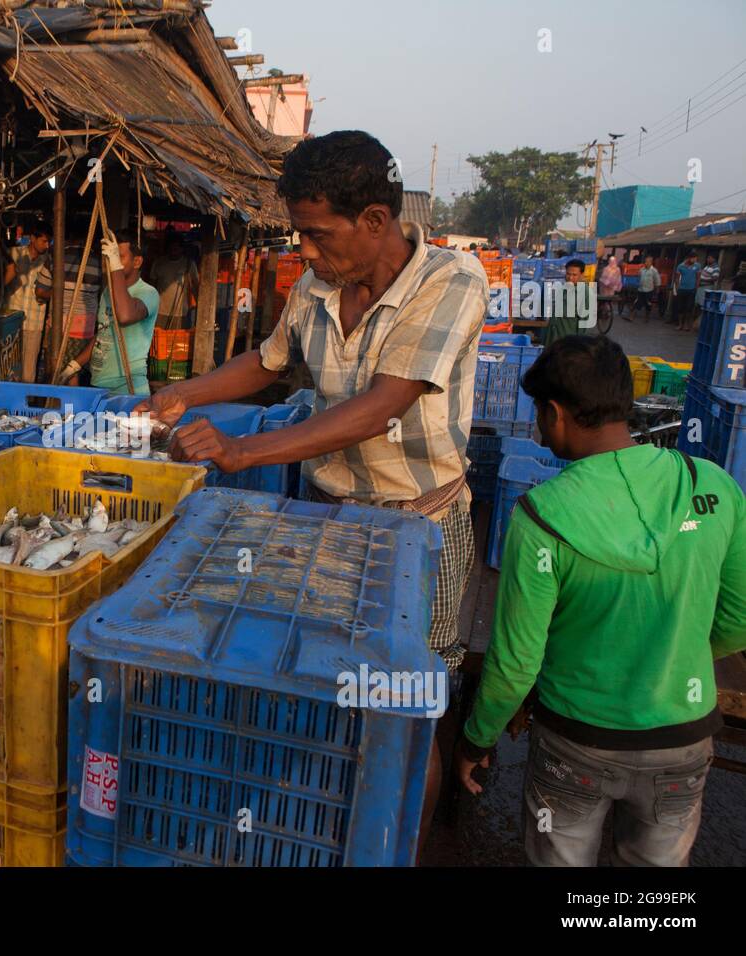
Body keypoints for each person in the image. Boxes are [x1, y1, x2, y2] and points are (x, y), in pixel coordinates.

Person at [136, 130, 489, 846]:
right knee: (321, 683)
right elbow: (267, 365)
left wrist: (243, 449)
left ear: (375, 221)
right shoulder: (314, 287)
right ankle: (321, 831)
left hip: (419, 525)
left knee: (410, 705)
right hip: (327, 517)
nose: (306, 249)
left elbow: (381, 406)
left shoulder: (452, 281)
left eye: (317, 234)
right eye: (300, 232)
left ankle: (397, 846)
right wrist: (174, 398)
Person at [457, 336, 746, 866]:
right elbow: (739, 618)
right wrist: (677, 651)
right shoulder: (713, 485)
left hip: (576, 743)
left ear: (555, 412)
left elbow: (518, 662)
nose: (542, 430)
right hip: (682, 741)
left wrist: (477, 739)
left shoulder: (542, 514)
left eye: (541, 416)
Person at [57, 229, 159, 396]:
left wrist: (115, 263)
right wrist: (75, 365)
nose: (112, 262)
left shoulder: (148, 293)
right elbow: (104, 331)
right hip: (99, 384)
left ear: (137, 261)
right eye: (111, 256)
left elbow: (125, 316)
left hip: (128, 386)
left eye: (120, 256)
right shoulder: (107, 292)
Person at [36, 233, 103, 384]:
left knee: (57, 371)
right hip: (86, 326)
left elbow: (40, 292)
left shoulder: (56, 258)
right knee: (74, 371)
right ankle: (71, 407)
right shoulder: (99, 261)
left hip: (60, 324)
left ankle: (64, 407)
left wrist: (58, 291)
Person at [3, 222, 52, 382]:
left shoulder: (49, 262)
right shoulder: (14, 255)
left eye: (48, 242)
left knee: (28, 372)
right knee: (8, 368)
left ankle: (25, 404)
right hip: (11, 322)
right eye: (43, 241)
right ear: (32, 238)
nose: (46, 245)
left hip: (34, 323)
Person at [149, 231, 199, 326]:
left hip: (181, 313)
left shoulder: (189, 264)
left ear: (182, 249)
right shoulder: (159, 263)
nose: (174, 251)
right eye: (171, 248)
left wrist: (199, 308)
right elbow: (152, 286)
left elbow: (195, 287)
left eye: (176, 248)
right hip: (160, 311)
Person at [542, 258, 585, 346]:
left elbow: (585, 326)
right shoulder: (563, 290)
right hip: (554, 341)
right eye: (568, 274)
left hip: (568, 345)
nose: (570, 278)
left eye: (574, 275)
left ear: (581, 275)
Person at [672, 253, 700, 331]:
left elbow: (698, 277)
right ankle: (680, 324)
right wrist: (677, 288)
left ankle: (687, 325)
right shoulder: (681, 266)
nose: (694, 260)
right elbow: (677, 278)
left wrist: (696, 288)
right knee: (680, 308)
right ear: (688, 258)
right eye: (693, 258)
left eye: (695, 259)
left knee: (689, 308)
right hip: (682, 289)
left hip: (691, 290)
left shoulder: (697, 266)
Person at [634, 255, 661, 322]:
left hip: (649, 290)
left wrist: (657, 289)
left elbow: (657, 280)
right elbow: (638, 278)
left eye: (648, 262)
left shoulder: (654, 271)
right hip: (641, 289)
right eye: (645, 261)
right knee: (637, 302)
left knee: (648, 304)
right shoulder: (641, 270)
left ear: (651, 262)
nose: (646, 263)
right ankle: (632, 316)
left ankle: (647, 317)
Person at [695, 253, 721, 323]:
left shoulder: (716, 268)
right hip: (700, 287)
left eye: (709, 258)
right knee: (697, 304)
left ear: (714, 259)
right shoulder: (707, 266)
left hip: (706, 287)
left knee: (702, 304)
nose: (708, 259)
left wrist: (702, 280)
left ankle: (700, 321)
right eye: (707, 258)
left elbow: (715, 278)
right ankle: (697, 321)